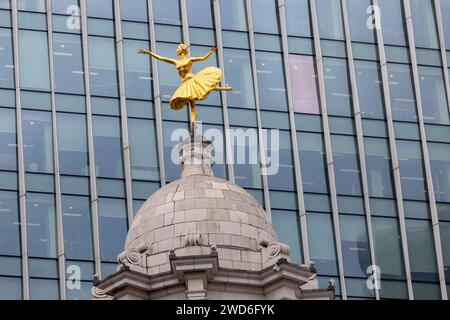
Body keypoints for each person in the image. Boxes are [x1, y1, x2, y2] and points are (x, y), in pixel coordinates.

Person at [138, 43, 231, 132]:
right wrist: (148, 52)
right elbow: (161, 58)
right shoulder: (176, 62)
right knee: (197, 96)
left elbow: (203, 58)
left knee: (201, 92)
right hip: (185, 83)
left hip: (191, 79)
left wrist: (211, 52)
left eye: (178, 48)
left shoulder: (189, 60)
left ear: (182, 50)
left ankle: (193, 125)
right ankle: (223, 88)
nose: (177, 50)